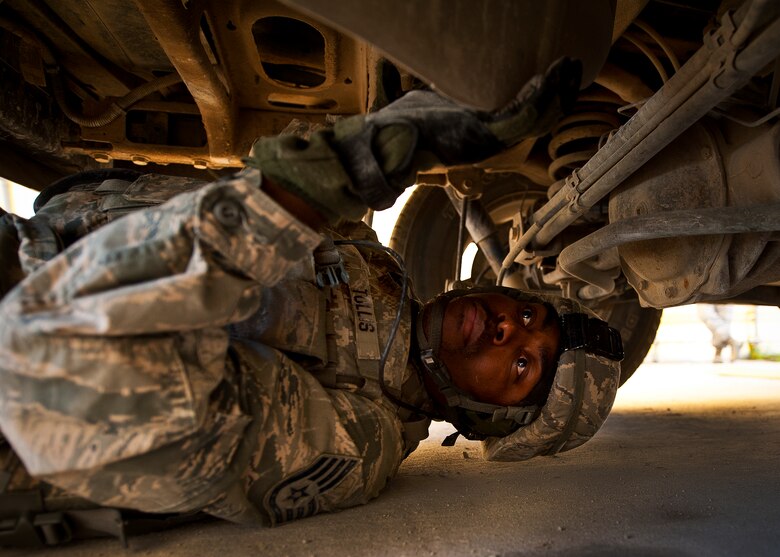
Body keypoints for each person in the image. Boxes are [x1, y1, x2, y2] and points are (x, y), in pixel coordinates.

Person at [0, 59, 623, 546]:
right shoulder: (380, 268)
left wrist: (327, 176)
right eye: (530, 314)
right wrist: (392, 129)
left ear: (489, 419)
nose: (507, 329)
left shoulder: (362, 441)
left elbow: (71, 381)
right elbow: (286, 170)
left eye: (522, 367)